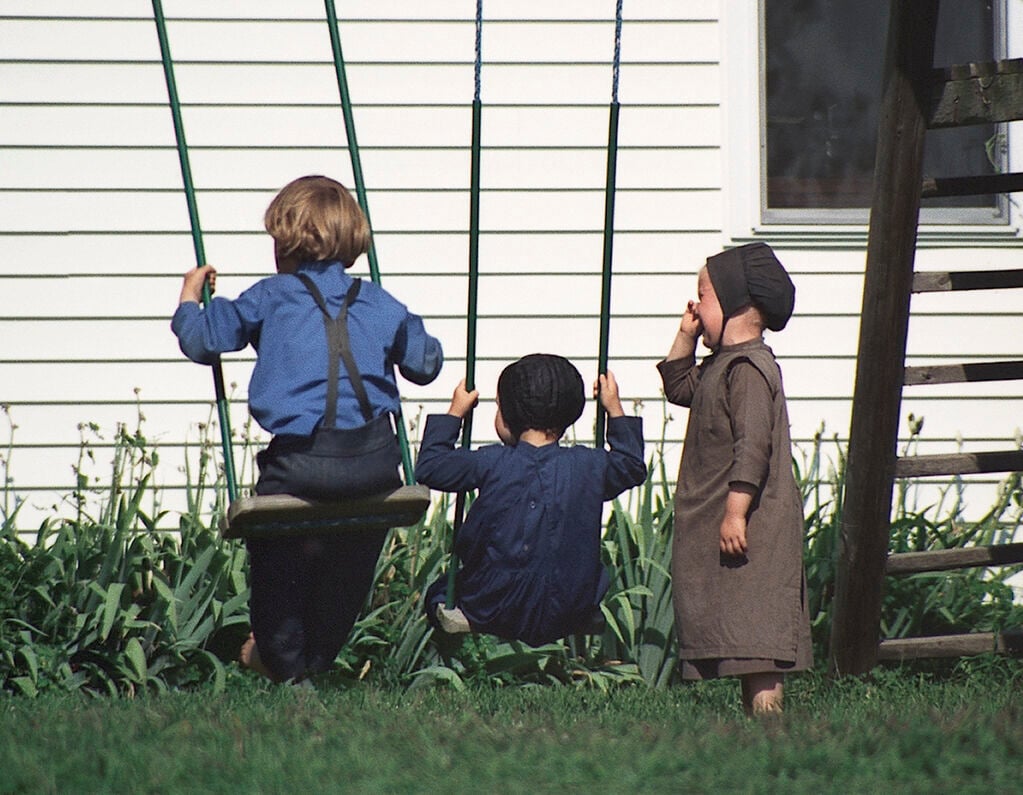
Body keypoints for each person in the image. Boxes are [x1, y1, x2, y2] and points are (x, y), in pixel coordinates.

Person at [172, 175, 443, 683]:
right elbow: (426, 365)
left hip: (297, 466)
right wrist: (406, 327)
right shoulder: (381, 303)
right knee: (348, 569)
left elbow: (204, 341)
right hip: (374, 465)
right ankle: (308, 668)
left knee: (278, 566)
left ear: (285, 243)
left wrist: (191, 300)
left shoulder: (268, 297)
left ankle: (281, 662)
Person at [656, 242, 812, 716]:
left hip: (754, 528)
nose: (694, 307)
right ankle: (756, 729)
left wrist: (735, 513)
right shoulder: (720, 365)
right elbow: (680, 388)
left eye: (702, 295)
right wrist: (685, 335)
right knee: (744, 638)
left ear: (736, 302)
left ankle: (769, 729)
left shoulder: (748, 369)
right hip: (737, 523)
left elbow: (754, 448)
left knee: (759, 639)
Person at [417, 353, 647, 646]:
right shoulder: (590, 466)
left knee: (441, 590)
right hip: (569, 607)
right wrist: (613, 407)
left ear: (510, 414)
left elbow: (431, 467)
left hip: (492, 604)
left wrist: (455, 413)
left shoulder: (490, 461)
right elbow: (631, 465)